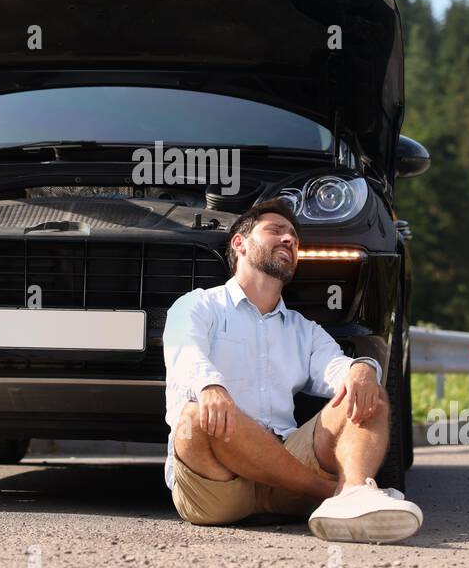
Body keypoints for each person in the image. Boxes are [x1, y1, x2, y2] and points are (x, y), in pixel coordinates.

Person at [162, 198, 423, 543]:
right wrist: (212, 387)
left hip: (286, 460)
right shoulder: (198, 304)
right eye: (275, 230)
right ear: (239, 243)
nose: (288, 240)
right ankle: (337, 493)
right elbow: (186, 353)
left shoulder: (304, 329)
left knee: (367, 393)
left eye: (294, 239)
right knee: (195, 417)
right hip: (216, 483)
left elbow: (337, 369)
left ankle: (353, 491)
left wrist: (362, 369)